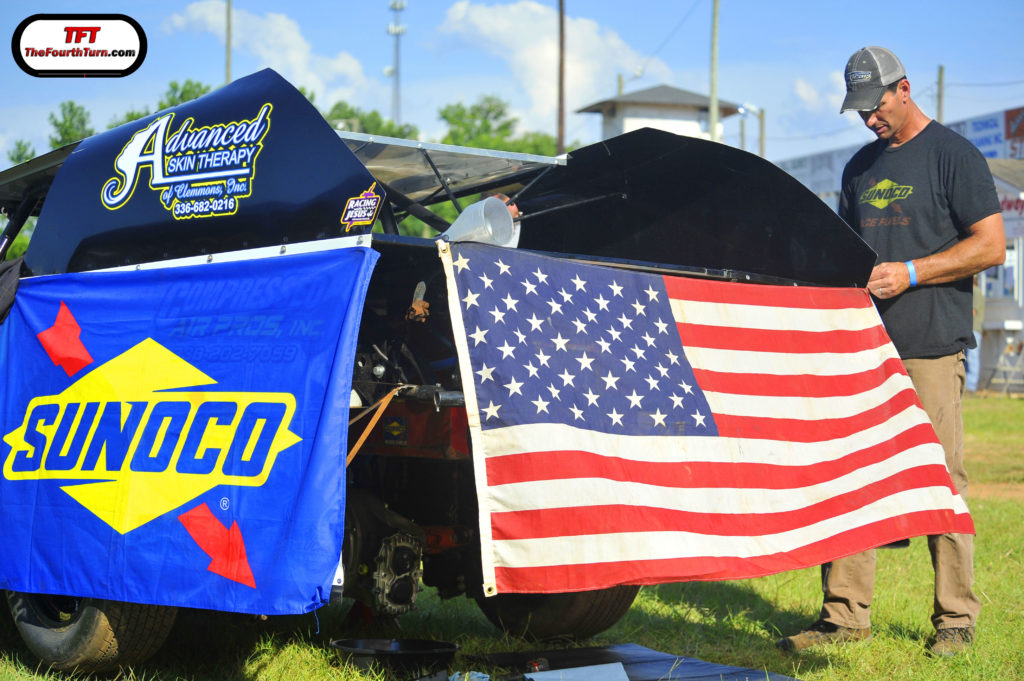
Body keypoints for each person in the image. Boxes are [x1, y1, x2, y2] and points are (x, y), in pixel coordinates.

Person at [776, 46, 1005, 657]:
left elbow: (990, 247)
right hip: (864, 351)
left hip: (931, 346)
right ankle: (844, 618)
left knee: (938, 481)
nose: (867, 120)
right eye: (857, 111)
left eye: (874, 107)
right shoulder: (858, 169)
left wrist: (912, 271)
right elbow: (848, 258)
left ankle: (955, 618)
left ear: (903, 90)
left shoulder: (955, 156)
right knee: (850, 478)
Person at [965, 276, 985, 391]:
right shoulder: (973, 291)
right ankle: (968, 385)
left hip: (974, 329)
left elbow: (972, 312)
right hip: (970, 329)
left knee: (973, 358)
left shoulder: (976, 292)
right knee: (968, 358)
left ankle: (971, 387)